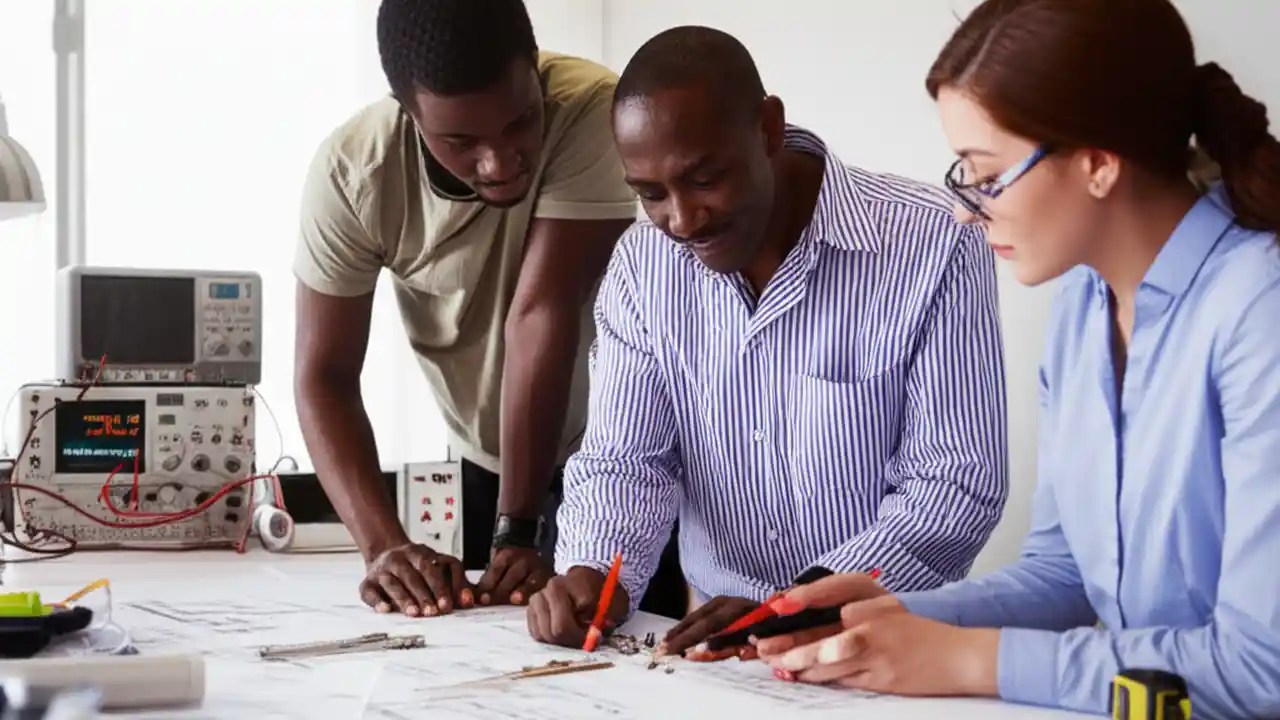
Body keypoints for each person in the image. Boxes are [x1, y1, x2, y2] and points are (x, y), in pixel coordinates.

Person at [753, 1, 1280, 717]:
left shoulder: (1258, 310)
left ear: (1097, 163)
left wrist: (973, 658)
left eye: (986, 173)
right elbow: (1065, 575)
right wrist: (897, 614)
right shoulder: (1082, 309)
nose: (968, 210)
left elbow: (1259, 670)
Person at [525, 26, 1009, 655]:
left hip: (881, 640)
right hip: (712, 652)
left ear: (768, 128)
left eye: (704, 178)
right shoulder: (643, 267)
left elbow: (955, 484)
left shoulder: (935, 244)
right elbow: (628, 460)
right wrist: (594, 570)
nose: (681, 219)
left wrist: (800, 603)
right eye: (650, 194)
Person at [292, 0, 639, 618]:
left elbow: (540, 312)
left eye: (520, 122)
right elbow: (324, 377)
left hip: (618, 461)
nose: (501, 163)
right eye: (462, 141)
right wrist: (383, 546)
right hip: (480, 457)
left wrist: (519, 530)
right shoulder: (354, 174)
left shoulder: (592, 112)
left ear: (536, 73)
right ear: (407, 112)